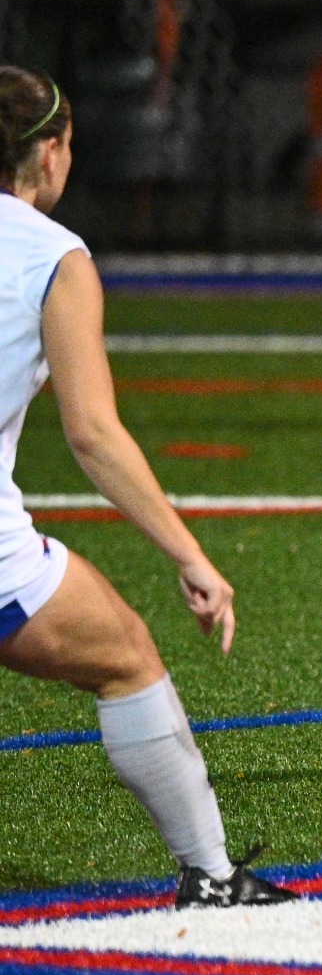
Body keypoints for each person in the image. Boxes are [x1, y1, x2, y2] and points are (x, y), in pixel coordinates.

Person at [0, 66, 292, 908]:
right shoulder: (54, 255)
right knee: (126, 657)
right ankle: (209, 873)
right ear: (49, 154)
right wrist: (190, 553)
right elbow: (92, 433)